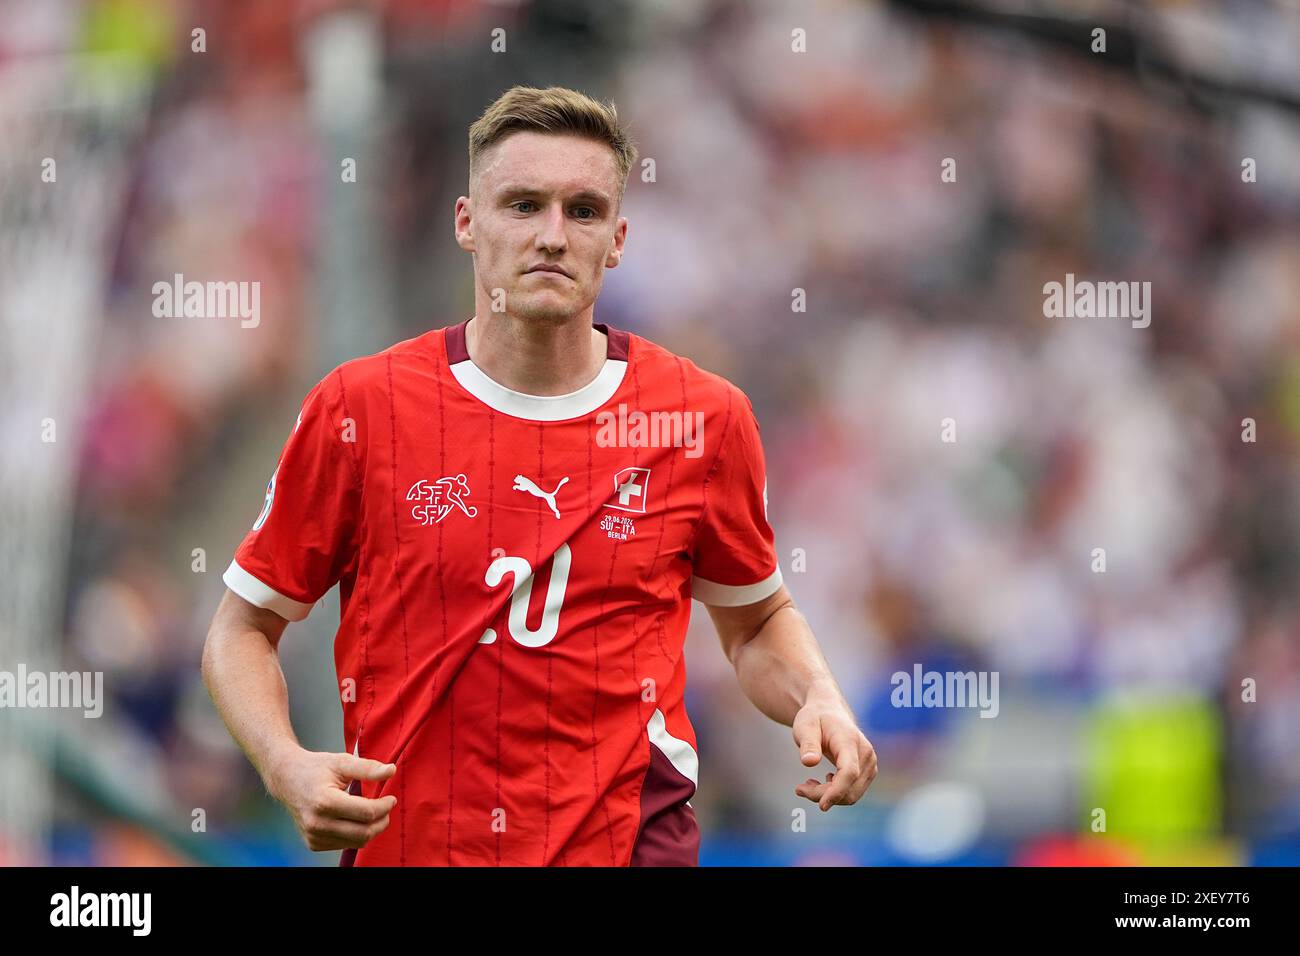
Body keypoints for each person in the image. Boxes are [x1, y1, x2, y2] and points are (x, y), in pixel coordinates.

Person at [202, 85, 876, 866]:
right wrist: (286, 765)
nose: (553, 236)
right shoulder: (362, 409)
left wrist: (818, 694)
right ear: (467, 223)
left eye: (582, 211)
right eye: (523, 205)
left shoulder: (701, 418)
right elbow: (243, 628)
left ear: (617, 239)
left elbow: (756, 621)